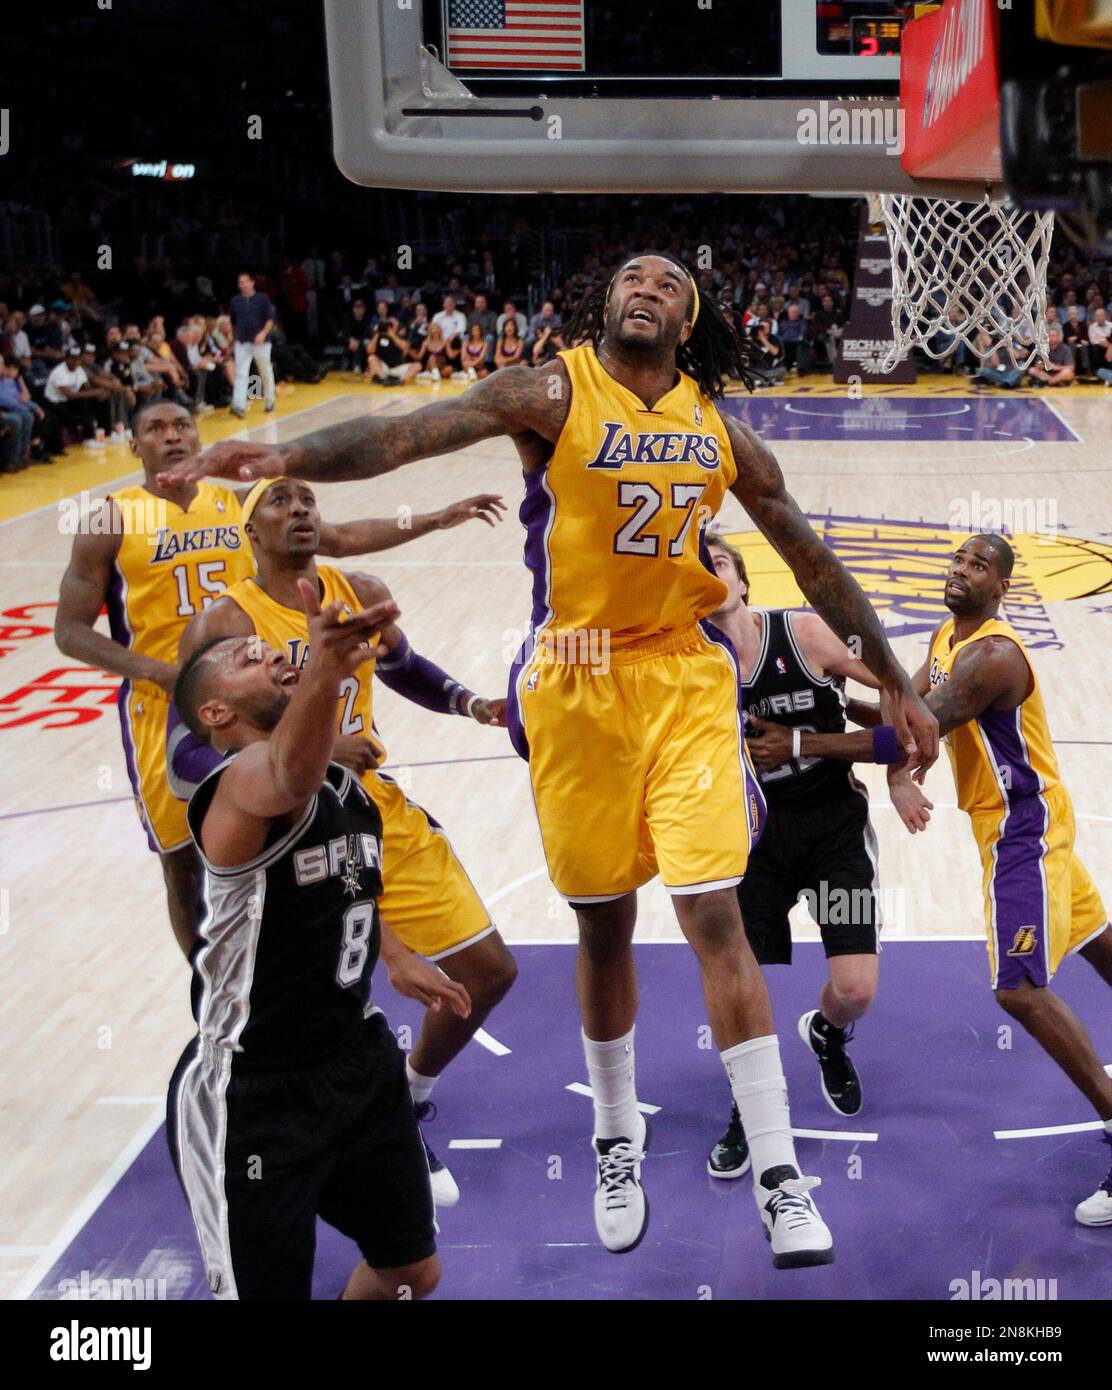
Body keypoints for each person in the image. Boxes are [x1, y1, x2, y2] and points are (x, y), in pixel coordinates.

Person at [158, 252, 937, 1268]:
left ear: (689, 317)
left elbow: (807, 554)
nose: (645, 286)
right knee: (602, 920)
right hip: (574, 679)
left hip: (682, 675)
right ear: (605, 302)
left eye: (667, 281)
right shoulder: (551, 391)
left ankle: (780, 1171)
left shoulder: (717, 429)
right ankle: (615, 1133)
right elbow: (405, 432)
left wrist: (895, 676)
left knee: (711, 909)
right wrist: (281, 453)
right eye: (630, 277)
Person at [55, 397, 507, 957]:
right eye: (156, 428)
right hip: (165, 699)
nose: (172, 436)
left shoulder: (239, 504)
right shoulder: (110, 518)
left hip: (260, 684)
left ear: (199, 436)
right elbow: (69, 631)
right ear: (134, 444)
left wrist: (432, 520)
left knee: (272, 829)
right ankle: (212, 977)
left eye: (182, 425)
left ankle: (314, 962)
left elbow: (340, 537)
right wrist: (168, 675)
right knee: (186, 859)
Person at [750, 534, 1112, 1227]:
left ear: (1002, 586)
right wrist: (821, 700)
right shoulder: (949, 637)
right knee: (1097, 939)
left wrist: (800, 742)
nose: (961, 571)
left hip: (1022, 828)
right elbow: (902, 710)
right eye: (959, 560)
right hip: (1025, 818)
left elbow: (911, 737)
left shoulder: (992, 657)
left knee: (1018, 989)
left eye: (979, 566)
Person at [172, 475, 515, 1206]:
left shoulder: (357, 590)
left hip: (375, 808)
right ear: (250, 531)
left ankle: (408, 1097)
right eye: (278, 500)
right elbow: (186, 755)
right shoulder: (224, 624)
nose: (298, 507)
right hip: (288, 827)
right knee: (327, 996)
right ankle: (309, 1140)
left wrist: (470, 703)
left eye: (306, 498)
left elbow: (403, 667)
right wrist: (312, 755)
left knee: (488, 973)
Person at [169, 590, 468, 1299]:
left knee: (410, 1272)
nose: (270, 652)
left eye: (272, 648)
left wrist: (395, 953)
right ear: (216, 714)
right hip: (254, 1088)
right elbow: (285, 774)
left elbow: (345, 885)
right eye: (247, 658)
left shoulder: (349, 791)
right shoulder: (236, 785)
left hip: (357, 1059)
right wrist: (328, 669)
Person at [699, 533, 930, 1177]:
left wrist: (897, 773)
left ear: (744, 582)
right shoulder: (690, 663)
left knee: (856, 989)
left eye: (720, 562)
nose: (709, 572)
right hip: (749, 842)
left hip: (832, 830)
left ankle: (825, 1030)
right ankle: (750, 1108)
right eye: (698, 568)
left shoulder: (803, 634)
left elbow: (895, 683)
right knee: (740, 987)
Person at [228, 272, 276, 419]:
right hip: (242, 342)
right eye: (240, 282)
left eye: (245, 281)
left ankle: (269, 400)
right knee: (241, 373)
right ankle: (239, 405)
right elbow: (233, 321)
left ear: (252, 282)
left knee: (265, 371)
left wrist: (263, 334)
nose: (243, 285)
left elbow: (270, 319)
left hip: (261, 343)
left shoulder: (263, 298)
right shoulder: (235, 301)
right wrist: (234, 339)